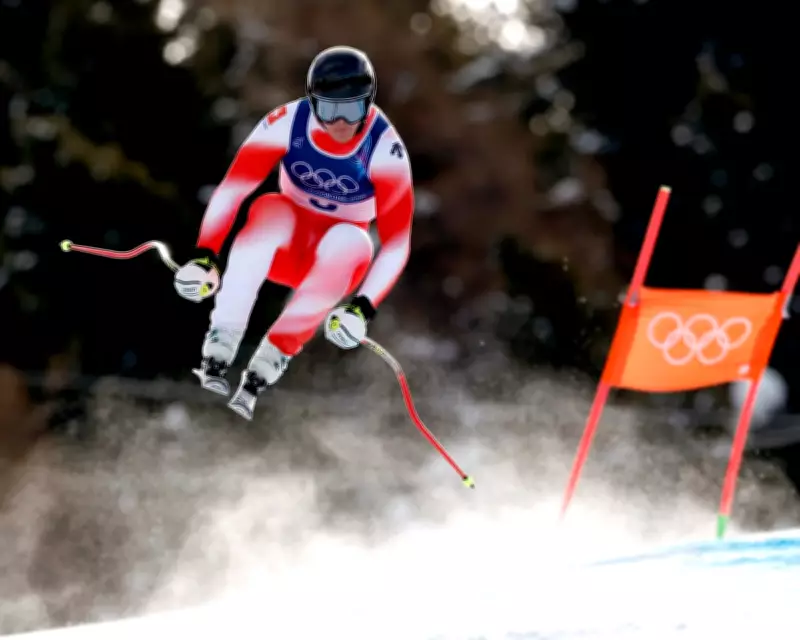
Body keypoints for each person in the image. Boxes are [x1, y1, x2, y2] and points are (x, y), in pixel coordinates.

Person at [173, 46, 414, 420]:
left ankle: (275, 354)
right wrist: (205, 254)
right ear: (311, 101)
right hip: (283, 247)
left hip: (331, 264)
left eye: (353, 109)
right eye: (328, 110)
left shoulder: (384, 148)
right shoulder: (287, 122)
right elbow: (233, 190)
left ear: (369, 103)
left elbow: (397, 243)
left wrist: (362, 307)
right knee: (271, 209)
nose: (340, 123)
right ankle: (222, 338)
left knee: (354, 241)